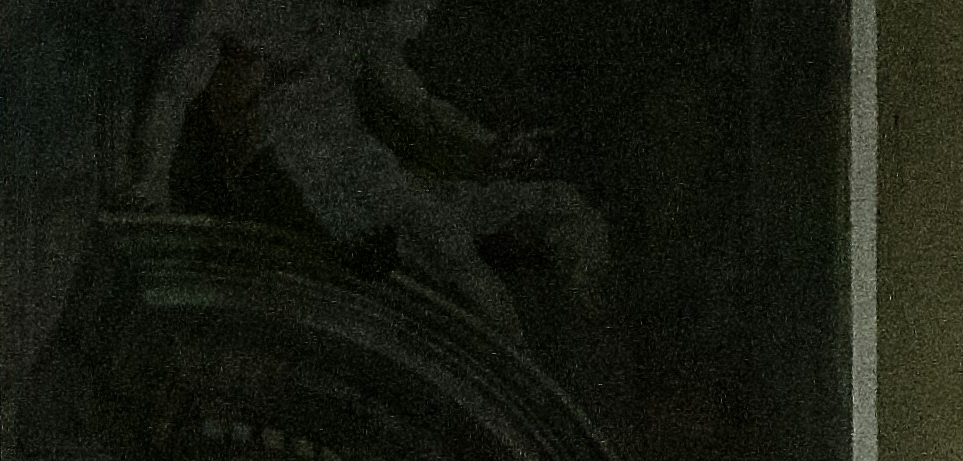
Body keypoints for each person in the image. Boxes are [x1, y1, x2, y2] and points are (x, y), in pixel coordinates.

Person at [127, 0, 606, 335]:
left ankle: (517, 369)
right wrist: (152, 181)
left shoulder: (351, 27)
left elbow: (422, 107)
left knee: (452, 248)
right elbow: (174, 89)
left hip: (356, 166)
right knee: (438, 243)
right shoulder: (241, 11)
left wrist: (491, 148)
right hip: (288, 170)